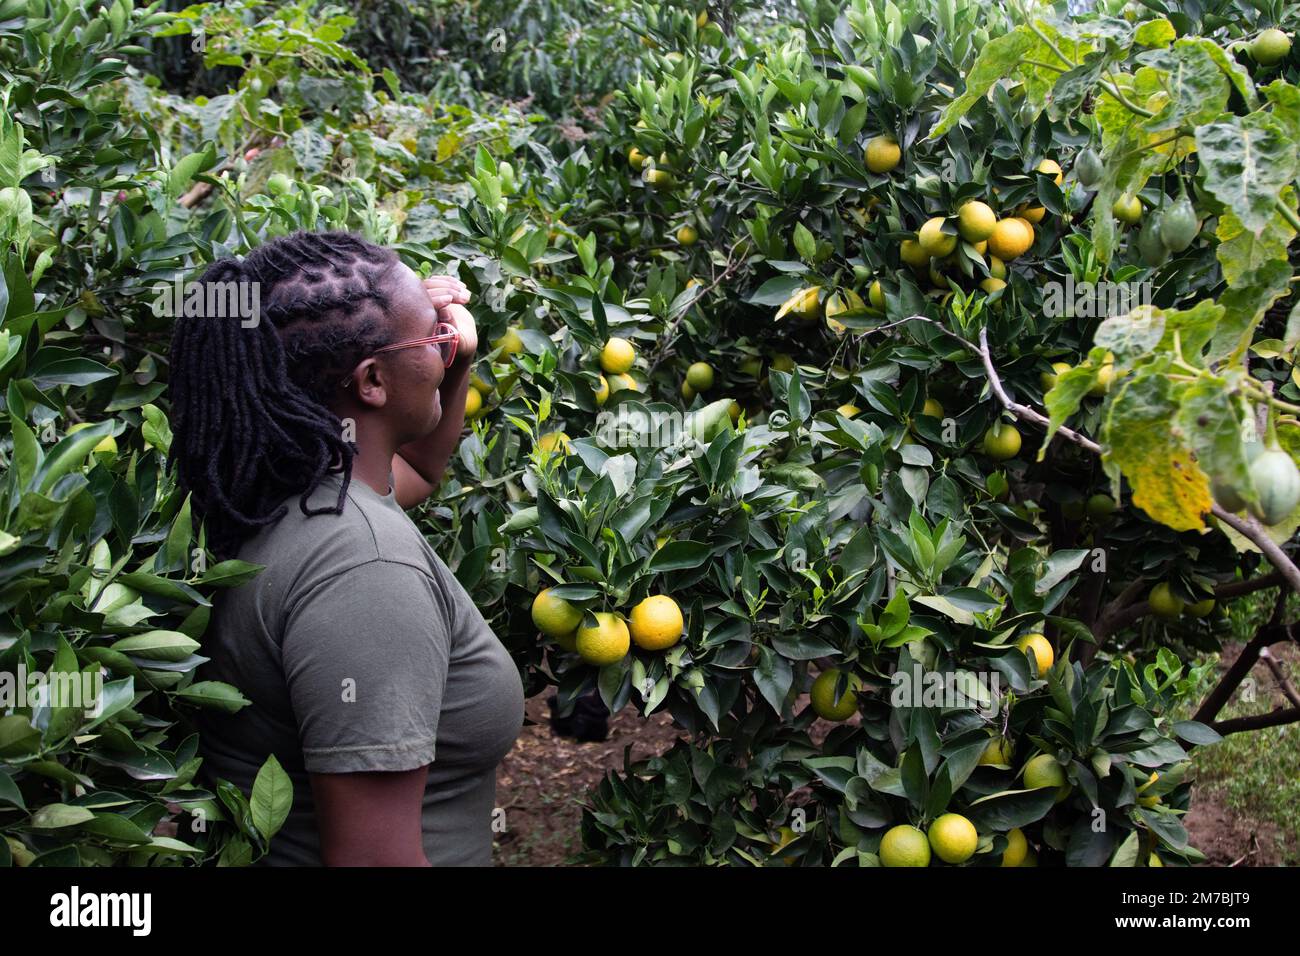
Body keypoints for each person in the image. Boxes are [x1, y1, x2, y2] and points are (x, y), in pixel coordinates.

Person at [168, 231, 524, 866]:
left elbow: (414, 469)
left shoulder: (282, 492)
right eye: (433, 342)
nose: (444, 353)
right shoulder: (367, 571)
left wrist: (457, 356)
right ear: (372, 382)